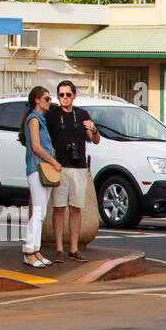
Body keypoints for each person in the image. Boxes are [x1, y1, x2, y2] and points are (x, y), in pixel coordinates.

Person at [47, 80, 100, 262]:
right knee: (59, 208)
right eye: (61, 95)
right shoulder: (52, 115)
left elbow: (95, 140)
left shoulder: (82, 114)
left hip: (78, 167)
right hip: (59, 167)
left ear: (74, 95)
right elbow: (43, 137)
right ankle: (59, 249)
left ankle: (74, 248)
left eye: (68, 94)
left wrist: (93, 129)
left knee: (76, 208)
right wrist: (49, 152)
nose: (65, 98)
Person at [17, 85, 59, 268]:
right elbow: (35, 146)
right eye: (46, 98)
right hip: (37, 168)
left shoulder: (40, 119)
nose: (49, 101)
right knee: (38, 212)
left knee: (41, 213)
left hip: (42, 167)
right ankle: (29, 252)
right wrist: (53, 161)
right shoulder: (33, 120)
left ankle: (36, 250)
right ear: (37, 100)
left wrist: (50, 151)